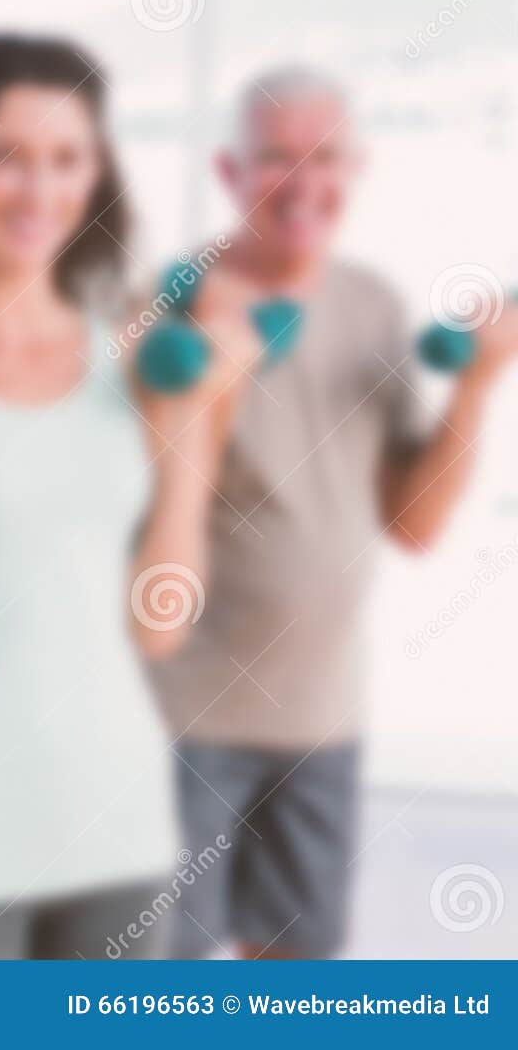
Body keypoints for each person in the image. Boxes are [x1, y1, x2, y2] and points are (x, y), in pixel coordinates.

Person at [0, 33, 254, 959]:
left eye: (66, 159)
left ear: (97, 170)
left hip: (119, 825)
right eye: (6, 156)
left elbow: (159, 626)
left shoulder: (134, 355)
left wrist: (199, 416)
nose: (38, 190)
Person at [150, 67, 518, 960]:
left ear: (354, 170)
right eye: (277, 159)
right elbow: (148, 507)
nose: (305, 185)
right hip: (186, 717)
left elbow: (414, 525)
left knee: (301, 985)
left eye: (325, 161)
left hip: (322, 719)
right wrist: (212, 384)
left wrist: (476, 381)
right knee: (157, 985)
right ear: (229, 171)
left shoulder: (372, 305)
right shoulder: (174, 307)